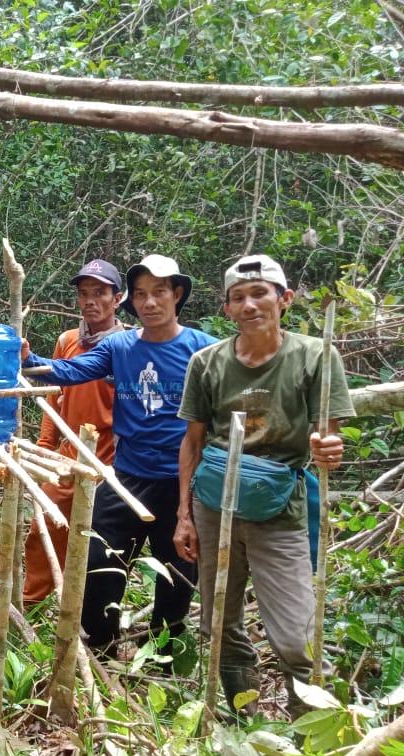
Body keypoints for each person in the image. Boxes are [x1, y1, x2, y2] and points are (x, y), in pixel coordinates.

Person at [174, 255, 354, 718]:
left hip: (279, 508)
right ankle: (243, 719)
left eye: (260, 294)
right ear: (227, 308)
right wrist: (184, 515)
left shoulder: (315, 356)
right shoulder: (207, 363)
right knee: (219, 622)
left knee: (297, 636)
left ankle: (311, 731)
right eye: (238, 297)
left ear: (284, 299)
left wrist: (329, 450)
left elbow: (327, 438)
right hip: (215, 504)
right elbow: (192, 443)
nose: (249, 305)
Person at [20, 254, 217, 659]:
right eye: (141, 294)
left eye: (159, 292)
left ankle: (164, 656)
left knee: (178, 574)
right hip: (126, 475)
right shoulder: (120, 346)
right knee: (98, 562)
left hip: (182, 480)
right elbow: (71, 371)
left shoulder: (203, 350)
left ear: (177, 294)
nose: (150, 302)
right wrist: (28, 361)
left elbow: (235, 395)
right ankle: (103, 646)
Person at [22, 259, 126, 610]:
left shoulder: (128, 345)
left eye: (100, 293)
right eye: (84, 294)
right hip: (68, 454)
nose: (90, 301)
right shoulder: (67, 340)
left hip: (110, 456)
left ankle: (88, 613)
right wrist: (45, 445)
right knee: (43, 528)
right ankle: (32, 604)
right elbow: (54, 395)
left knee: (100, 540)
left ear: (117, 299)